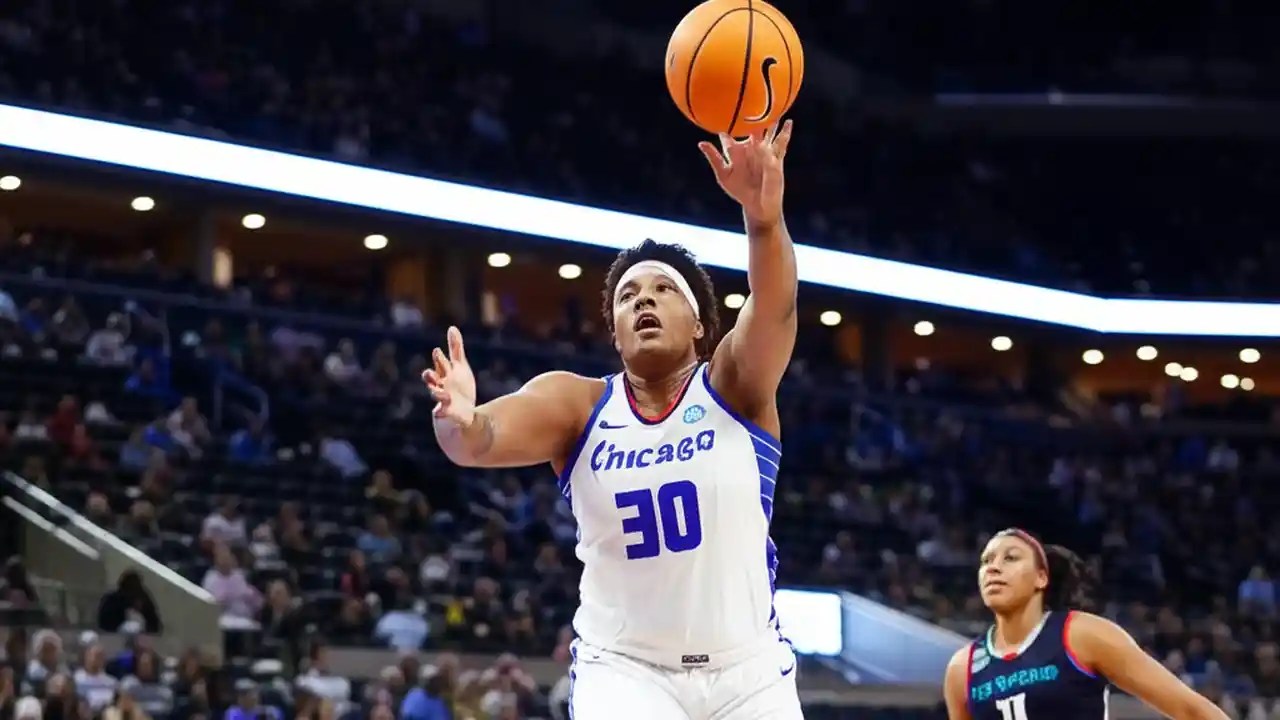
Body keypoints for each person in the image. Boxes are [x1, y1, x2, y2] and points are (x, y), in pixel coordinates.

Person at [426, 122, 800, 720]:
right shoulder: (578, 405)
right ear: (615, 332)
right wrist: (459, 417)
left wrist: (763, 220)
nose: (643, 301)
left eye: (661, 290)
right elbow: (476, 441)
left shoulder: (735, 386)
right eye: (628, 297)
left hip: (749, 673)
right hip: (626, 670)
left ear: (701, 325)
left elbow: (775, 305)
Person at [943, 528, 1229, 720]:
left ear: (1041, 578)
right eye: (986, 561)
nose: (993, 567)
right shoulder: (962, 667)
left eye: (1011, 558)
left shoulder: (1081, 634)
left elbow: (1190, 708)